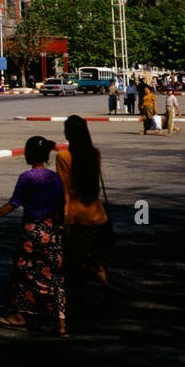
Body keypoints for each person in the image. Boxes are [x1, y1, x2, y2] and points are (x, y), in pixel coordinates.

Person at [0, 136, 68, 337]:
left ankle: (20, 315)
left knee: (23, 272)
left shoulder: (27, 177)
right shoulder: (54, 178)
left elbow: (13, 204)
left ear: (30, 154)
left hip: (31, 231)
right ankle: (61, 323)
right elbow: (61, 206)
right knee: (54, 274)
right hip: (51, 231)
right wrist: (61, 228)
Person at [56, 114, 111, 292]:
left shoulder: (64, 157)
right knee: (96, 261)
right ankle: (106, 290)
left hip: (76, 217)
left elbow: (63, 191)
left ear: (69, 133)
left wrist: (62, 219)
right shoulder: (95, 153)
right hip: (97, 214)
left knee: (75, 263)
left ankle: (78, 304)